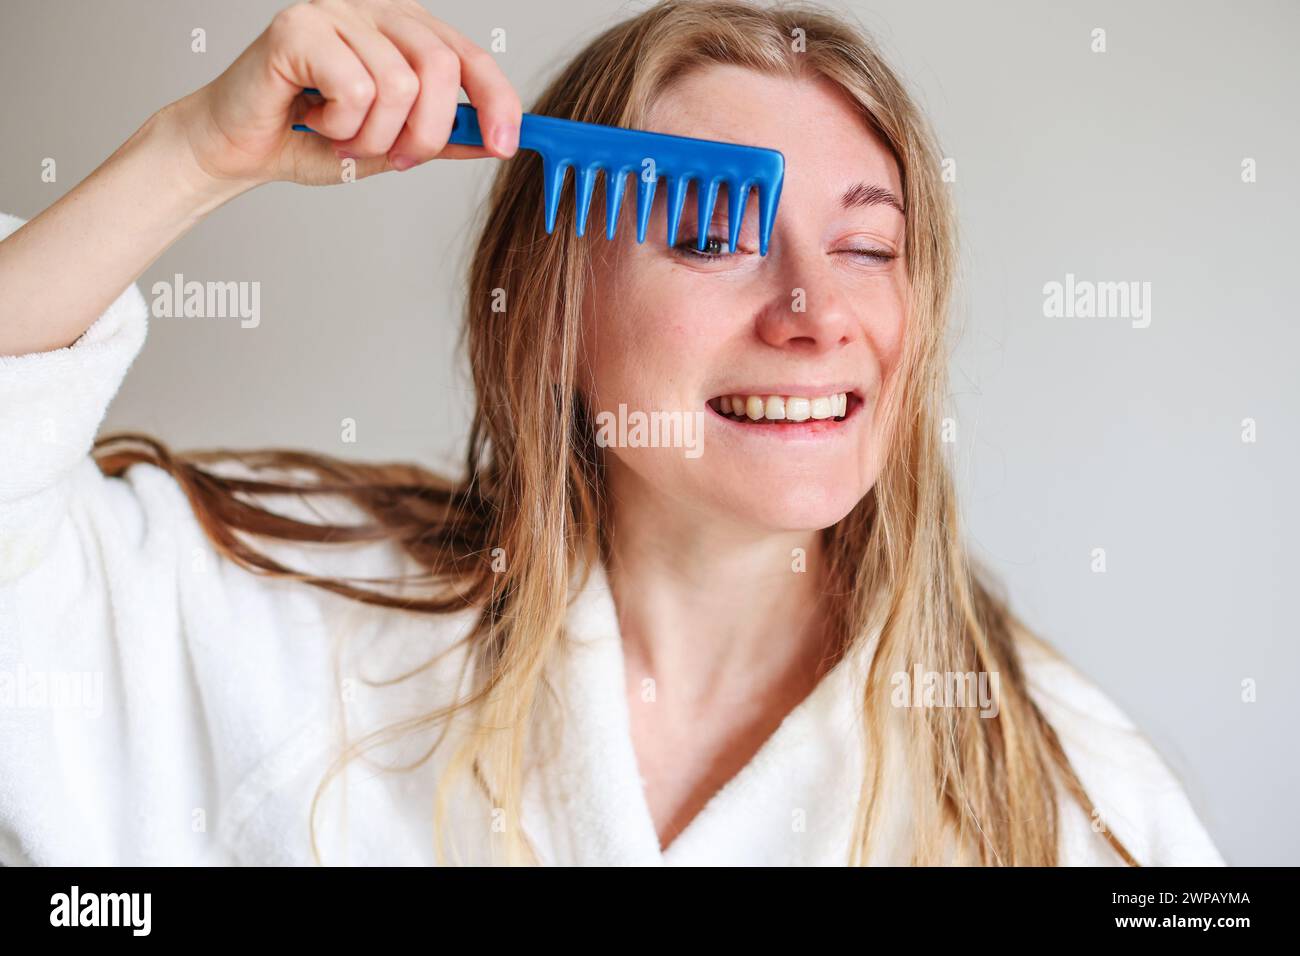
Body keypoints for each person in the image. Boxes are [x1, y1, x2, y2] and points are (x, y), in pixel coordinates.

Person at [0, 0, 1223, 865]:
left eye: (867, 246)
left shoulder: (1050, 780)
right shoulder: (303, 627)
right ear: (555, 308)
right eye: (709, 231)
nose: (815, 311)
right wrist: (193, 153)